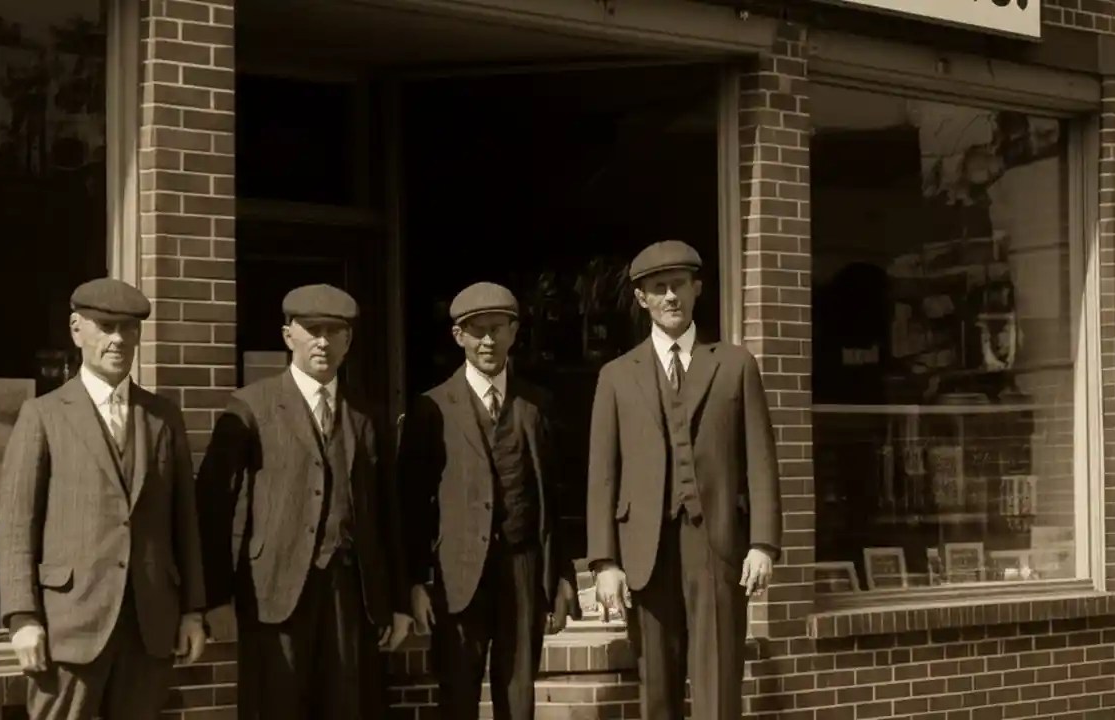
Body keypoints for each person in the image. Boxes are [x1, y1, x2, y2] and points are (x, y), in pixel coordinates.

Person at [196, 283, 412, 719]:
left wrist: (398, 602)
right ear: (287, 335)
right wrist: (216, 598)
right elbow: (214, 509)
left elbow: (390, 514)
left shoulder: (366, 416)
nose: (323, 341)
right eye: (312, 329)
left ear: (348, 341)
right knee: (274, 707)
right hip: (272, 593)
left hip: (349, 593)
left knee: (347, 707)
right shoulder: (249, 408)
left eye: (334, 331)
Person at [585, 241, 782, 720]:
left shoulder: (734, 365)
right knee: (656, 686)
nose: (670, 296)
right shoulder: (616, 376)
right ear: (642, 298)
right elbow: (602, 475)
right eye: (658, 288)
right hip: (644, 551)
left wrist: (763, 543)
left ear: (697, 289)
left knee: (719, 685)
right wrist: (605, 561)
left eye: (678, 285)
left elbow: (761, 459)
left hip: (717, 544)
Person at [0, 277, 207, 720]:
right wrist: (22, 617)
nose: (118, 339)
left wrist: (191, 610)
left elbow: (184, 521)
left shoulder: (162, 417)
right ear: (76, 329)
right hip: (71, 623)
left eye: (128, 329)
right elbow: (16, 525)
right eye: (106, 326)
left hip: (148, 622)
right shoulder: (44, 415)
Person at [398, 282, 580, 720]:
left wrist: (561, 576)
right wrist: (413, 583)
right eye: (476, 331)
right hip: (457, 573)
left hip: (522, 567)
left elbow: (554, 497)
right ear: (458, 336)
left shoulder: (537, 405)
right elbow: (409, 505)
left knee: (518, 694)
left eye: (497, 329)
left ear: (514, 332)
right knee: (457, 693)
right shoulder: (430, 409)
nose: (487, 341)